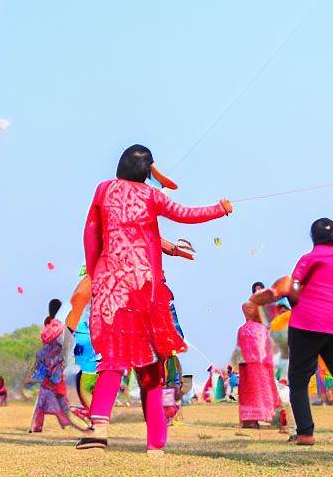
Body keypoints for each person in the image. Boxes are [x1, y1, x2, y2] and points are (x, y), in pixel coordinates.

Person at [77, 144, 232, 454]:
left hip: (111, 284)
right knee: (150, 361)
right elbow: (185, 214)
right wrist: (221, 208)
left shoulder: (104, 190)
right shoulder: (152, 196)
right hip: (145, 287)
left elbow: (93, 233)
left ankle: (99, 428)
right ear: (148, 171)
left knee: (112, 356)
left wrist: (95, 274)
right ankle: (155, 443)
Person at [252, 218, 333, 447]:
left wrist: (275, 292)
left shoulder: (309, 259)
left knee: (298, 380)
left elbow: (293, 288)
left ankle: (305, 432)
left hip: (308, 323)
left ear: (313, 237)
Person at [29, 300, 85, 433]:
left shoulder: (48, 326)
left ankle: (36, 425)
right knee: (65, 398)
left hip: (49, 367)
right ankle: (74, 423)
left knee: (44, 399)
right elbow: (69, 346)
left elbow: (45, 346)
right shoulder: (65, 326)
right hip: (62, 368)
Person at [236, 301, 280, 428]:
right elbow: (267, 348)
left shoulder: (241, 329)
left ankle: (250, 420)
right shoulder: (262, 329)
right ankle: (270, 417)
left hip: (246, 366)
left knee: (248, 394)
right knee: (263, 392)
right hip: (261, 366)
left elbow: (239, 350)